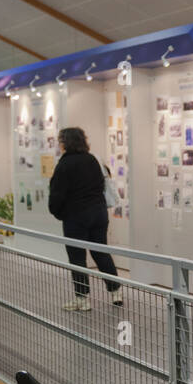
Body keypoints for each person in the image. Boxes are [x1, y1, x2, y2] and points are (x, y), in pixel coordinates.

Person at [49, 127, 123, 310]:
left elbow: (57, 194)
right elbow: (100, 186)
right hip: (98, 214)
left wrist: (58, 213)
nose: (59, 144)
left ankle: (82, 299)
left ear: (65, 142)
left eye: (60, 141)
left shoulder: (64, 164)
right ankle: (115, 292)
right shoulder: (92, 160)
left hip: (76, 217)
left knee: (77, 257)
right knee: (101, 252)